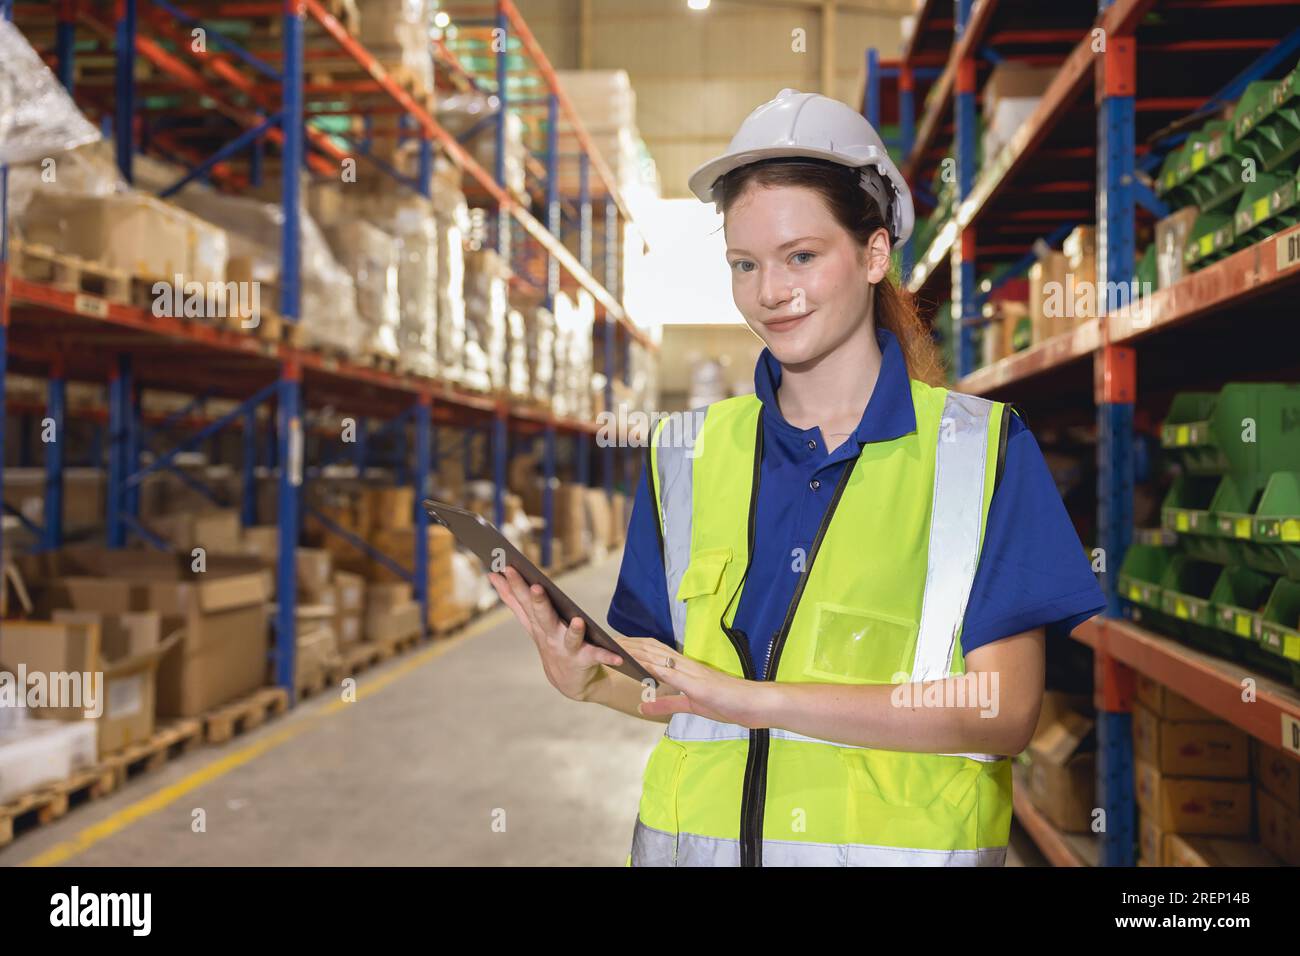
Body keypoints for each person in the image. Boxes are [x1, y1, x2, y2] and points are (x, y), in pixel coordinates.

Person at [489, 88, 1105, 867]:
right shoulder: (685, 453)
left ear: (875, 254)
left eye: (801, 256)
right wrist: (592, 683)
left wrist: (758, 703)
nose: (769, 292)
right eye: (744, 265)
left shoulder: (980, 453)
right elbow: (684, 697)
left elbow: (1002, 709)